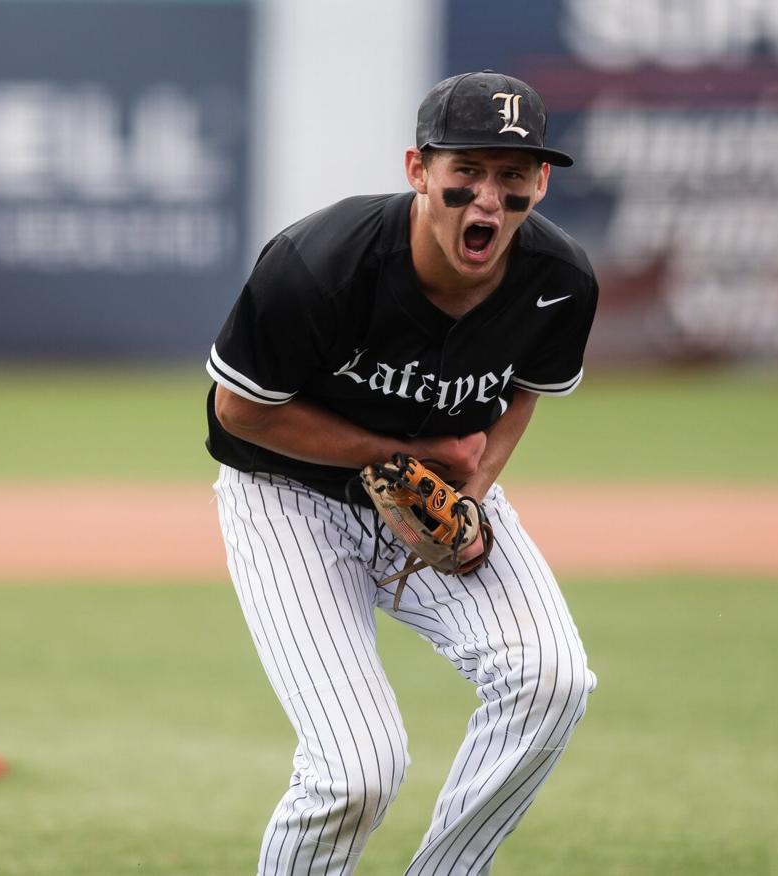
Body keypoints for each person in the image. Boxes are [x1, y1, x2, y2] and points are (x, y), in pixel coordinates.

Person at [205, 70, 599, 875]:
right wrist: (403, 459)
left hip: (432, 492)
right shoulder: (320, 264)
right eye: (468, 173)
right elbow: (238, 413)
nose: (487, 198)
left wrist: (473, 494)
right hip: (290, 502)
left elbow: (524, 391)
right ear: (420, 170)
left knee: (551, 678)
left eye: (512, 176)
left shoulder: (559, 282)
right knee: (357, 771)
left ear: (541, 182)